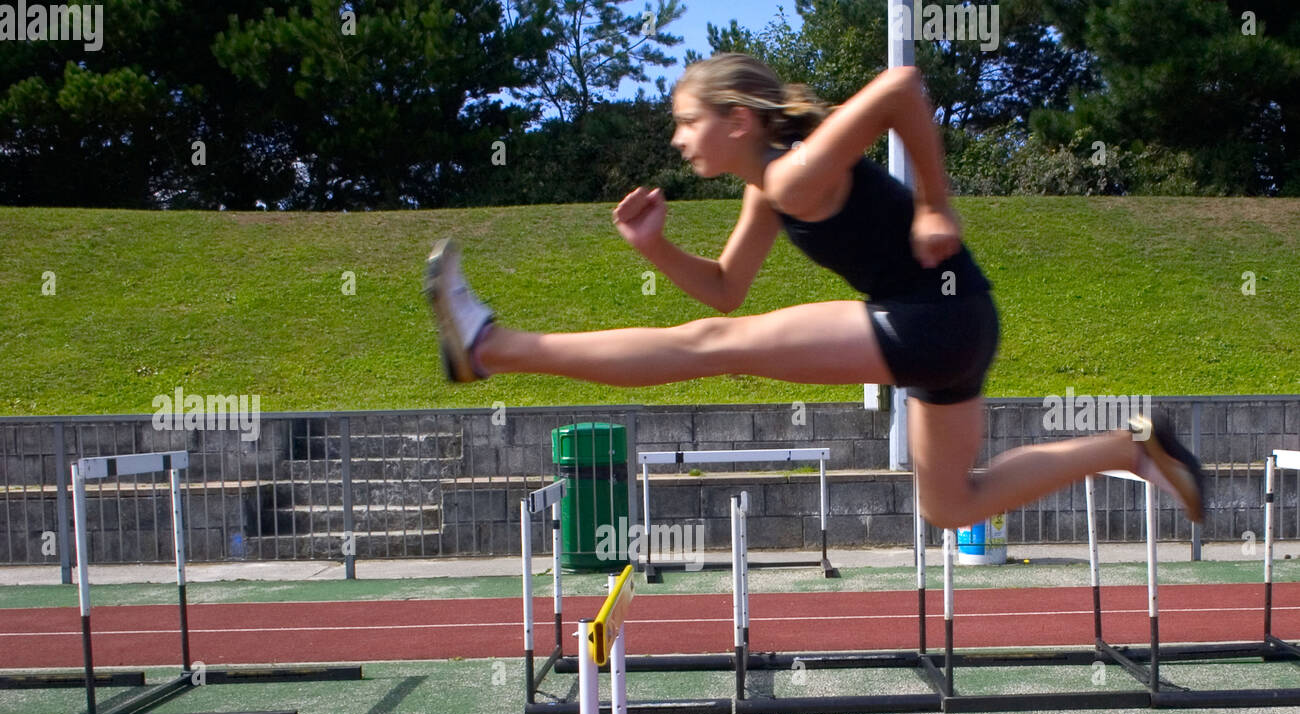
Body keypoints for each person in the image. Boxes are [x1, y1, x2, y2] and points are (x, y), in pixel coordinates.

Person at [424, 52, 1204, 527]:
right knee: (951, 506)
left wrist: (936, 201)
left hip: (932, 317)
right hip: (958, 326)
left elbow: (901, 86)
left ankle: (492, 348)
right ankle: (1131, 446)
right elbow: (726, 287)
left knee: (712, 350)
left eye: (684, 122)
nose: (674, 139)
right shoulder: (770, 187)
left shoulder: (796, 167)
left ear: (736, 120)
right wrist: (657, 249)